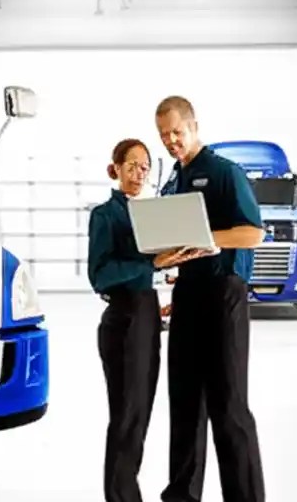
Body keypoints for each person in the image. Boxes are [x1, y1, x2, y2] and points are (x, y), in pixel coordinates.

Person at [154, 96, 267, 502]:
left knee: (229, 406)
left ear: (194, 126)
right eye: (164, 135)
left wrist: (205, 240)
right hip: (187, 295)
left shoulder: (224, 173)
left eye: (177, 132)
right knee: (184, 403)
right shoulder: (174, 181)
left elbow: (254, 234)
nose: (171, 141)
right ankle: (181, 495)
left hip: (224, 296)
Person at [89, 138, 206, 502]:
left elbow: (146, 271)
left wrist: (157, 297)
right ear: (115, 169)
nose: (138, 174)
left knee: (139, 417)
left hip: (144, 317)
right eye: (131, 166)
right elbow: (100, 275)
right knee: (126, 419)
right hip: (122, 322)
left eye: (144, 168)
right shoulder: (106, 214)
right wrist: (150, 265)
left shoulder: (148, 213)